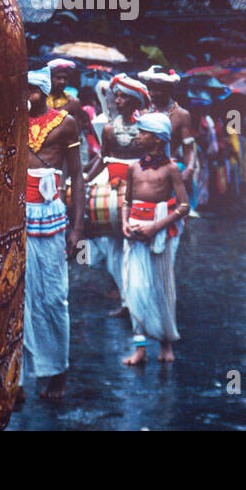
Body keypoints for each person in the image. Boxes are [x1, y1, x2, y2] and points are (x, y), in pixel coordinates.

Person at [24, 69, 83, 401]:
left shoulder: (66, 122)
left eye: (32, 90)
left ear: (44, 91)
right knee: (19, 296)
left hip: (50, 217)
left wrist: (78, 228)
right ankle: (17, 379)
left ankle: (57, 371)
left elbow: (76, 175)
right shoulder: (12, 119)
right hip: (18, 216)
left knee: (53, 297)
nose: (26, 95)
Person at [121, 113, 189, 365]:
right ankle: (139, 348)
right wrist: (125, 223)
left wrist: (156, 227)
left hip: (160, 232)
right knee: (135, 288)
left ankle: (166, 343)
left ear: (158, 140)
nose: (137, 136)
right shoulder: (133, 167)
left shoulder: (172, 169)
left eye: (142, 132)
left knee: (162, 287)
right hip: (136, 231)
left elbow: (183, 207)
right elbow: (127, 201)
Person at [82, 75, 150, 314]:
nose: (117, 101)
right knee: (114, 250)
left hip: (138, 191)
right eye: (116, 96)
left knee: (137, 248)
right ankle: (125, 301)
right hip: (112, 189)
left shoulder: (146, 129)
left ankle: (139, 301)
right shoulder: (109, 130)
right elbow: (103, 158)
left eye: (123, 97)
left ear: (135, 102)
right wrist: (86, 180)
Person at [137, 67, 197, 192]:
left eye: (157, 89)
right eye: (150, 88)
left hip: (170, 171)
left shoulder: (182, 115)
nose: (152, 93)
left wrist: (189, 168)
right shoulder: (143, 112)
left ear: (169, 89)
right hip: (143, 170)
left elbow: (188, 148)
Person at [46, 58, 95, 170]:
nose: (62, 82)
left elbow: (75, 132)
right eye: (58, 78)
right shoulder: (40, 100)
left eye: (65, 78)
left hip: (64, 153)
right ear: (50, 78)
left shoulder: (73, 102)